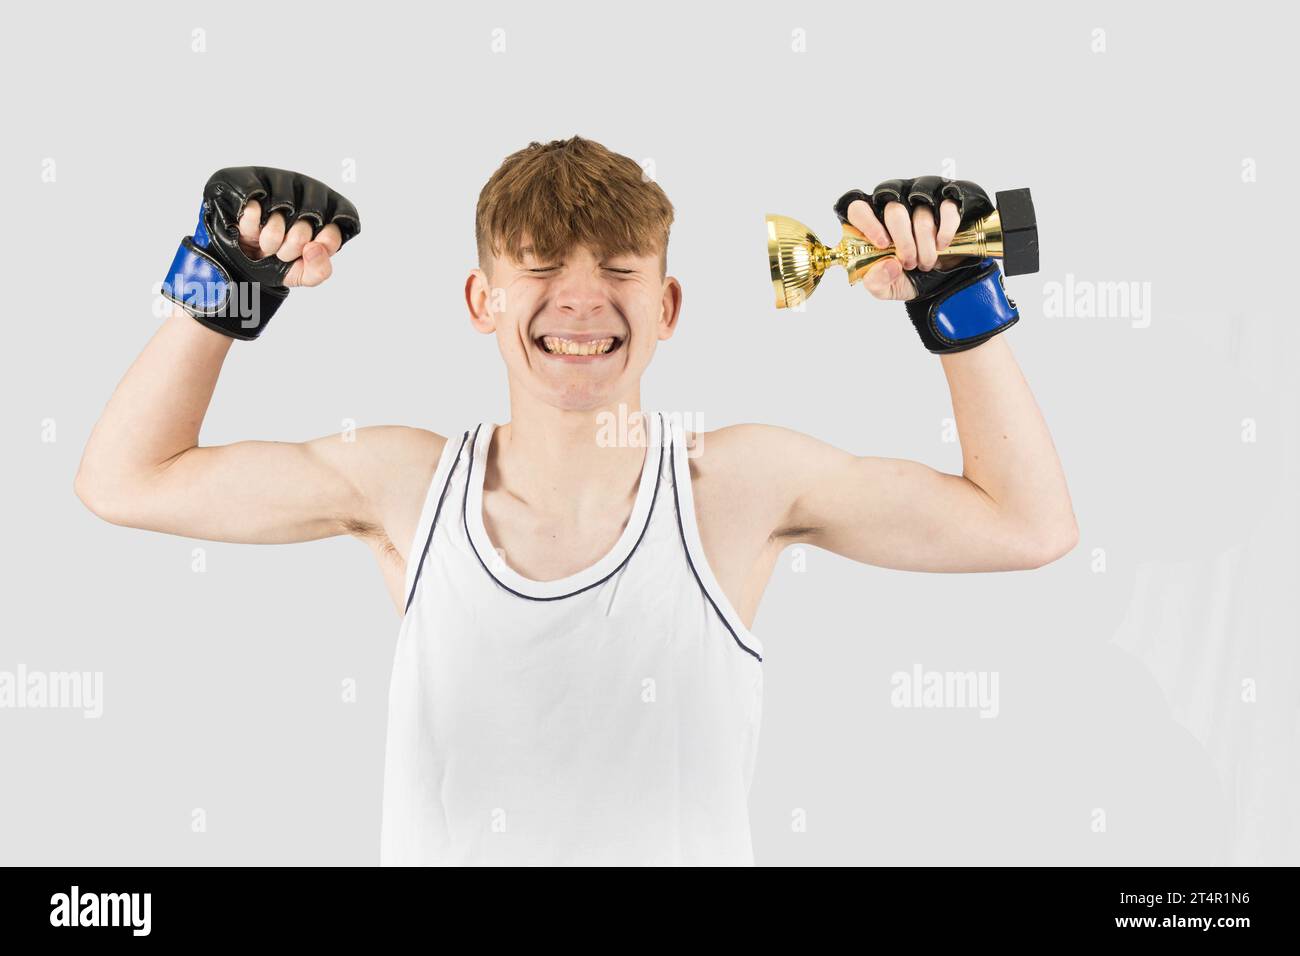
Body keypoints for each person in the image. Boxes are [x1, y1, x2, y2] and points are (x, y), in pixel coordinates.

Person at [75, 137, 1077, 865]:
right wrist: (221, 286)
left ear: (668, 306)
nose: (581, 299)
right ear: (483, 301)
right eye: (541, 268)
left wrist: (961, 311)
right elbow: (125, 479)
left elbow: (1025, 525)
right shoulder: (407, 487)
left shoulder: (730, 487)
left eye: (618, 271)